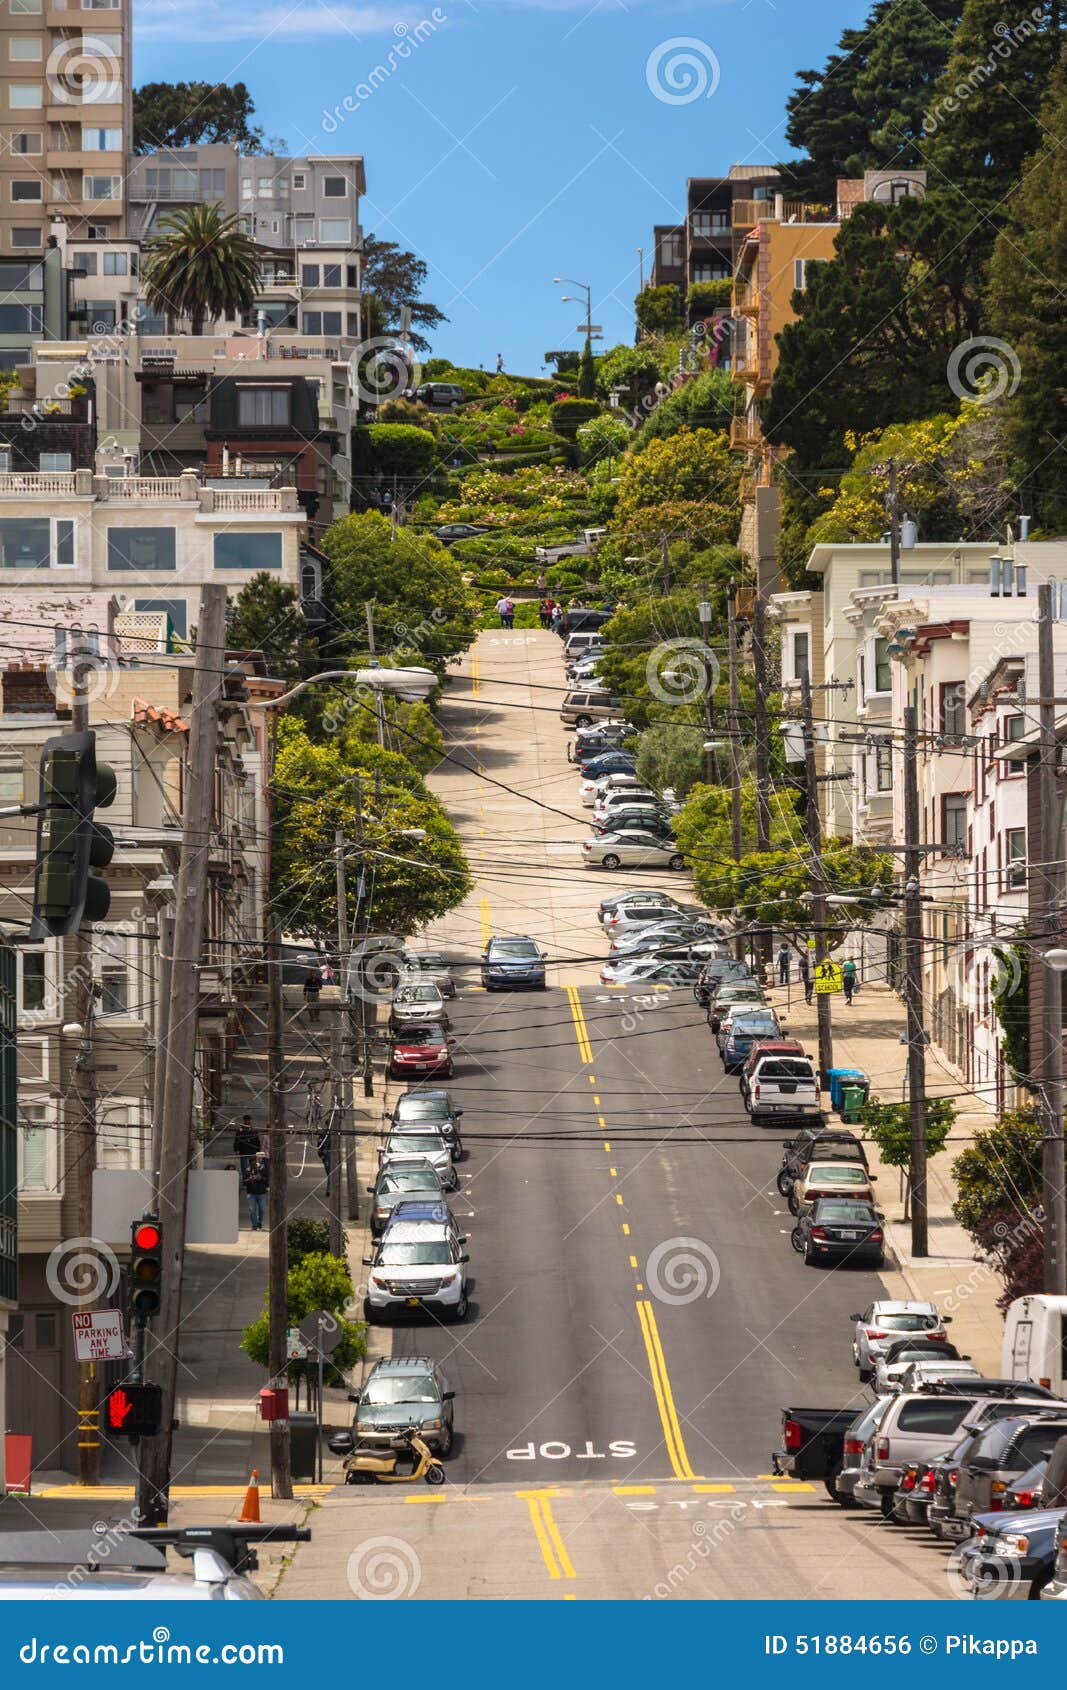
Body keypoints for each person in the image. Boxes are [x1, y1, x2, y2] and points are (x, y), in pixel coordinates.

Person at [243, 1152, 270, 1232]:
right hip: (251, 1193)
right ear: (250, 1163)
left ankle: (259, 1222)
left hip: (261, 1193)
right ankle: (254, 1225)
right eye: (252, 1164)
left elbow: (266, 1178)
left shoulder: (262, 1168)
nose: (254, 1165)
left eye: (255, 1163)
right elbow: (244, 1180)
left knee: (262, 1209)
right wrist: (249, 1179)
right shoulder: (247, 1170)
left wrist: (260, 1178)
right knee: (252, 1210)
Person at [232, 1114, 261, 1178]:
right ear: (244, 1121)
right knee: (244, 1167)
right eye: (246, 1120)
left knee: (253, 1166)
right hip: (243, 1151)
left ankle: (253, 1180)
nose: (247, 1121)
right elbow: (237, 1140)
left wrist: (258, 1150)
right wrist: (236, 1149)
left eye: (248, 1120)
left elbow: (257, 1141)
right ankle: (245, 1181)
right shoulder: (240, 1131)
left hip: (252, 1150)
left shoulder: (253, 1130)